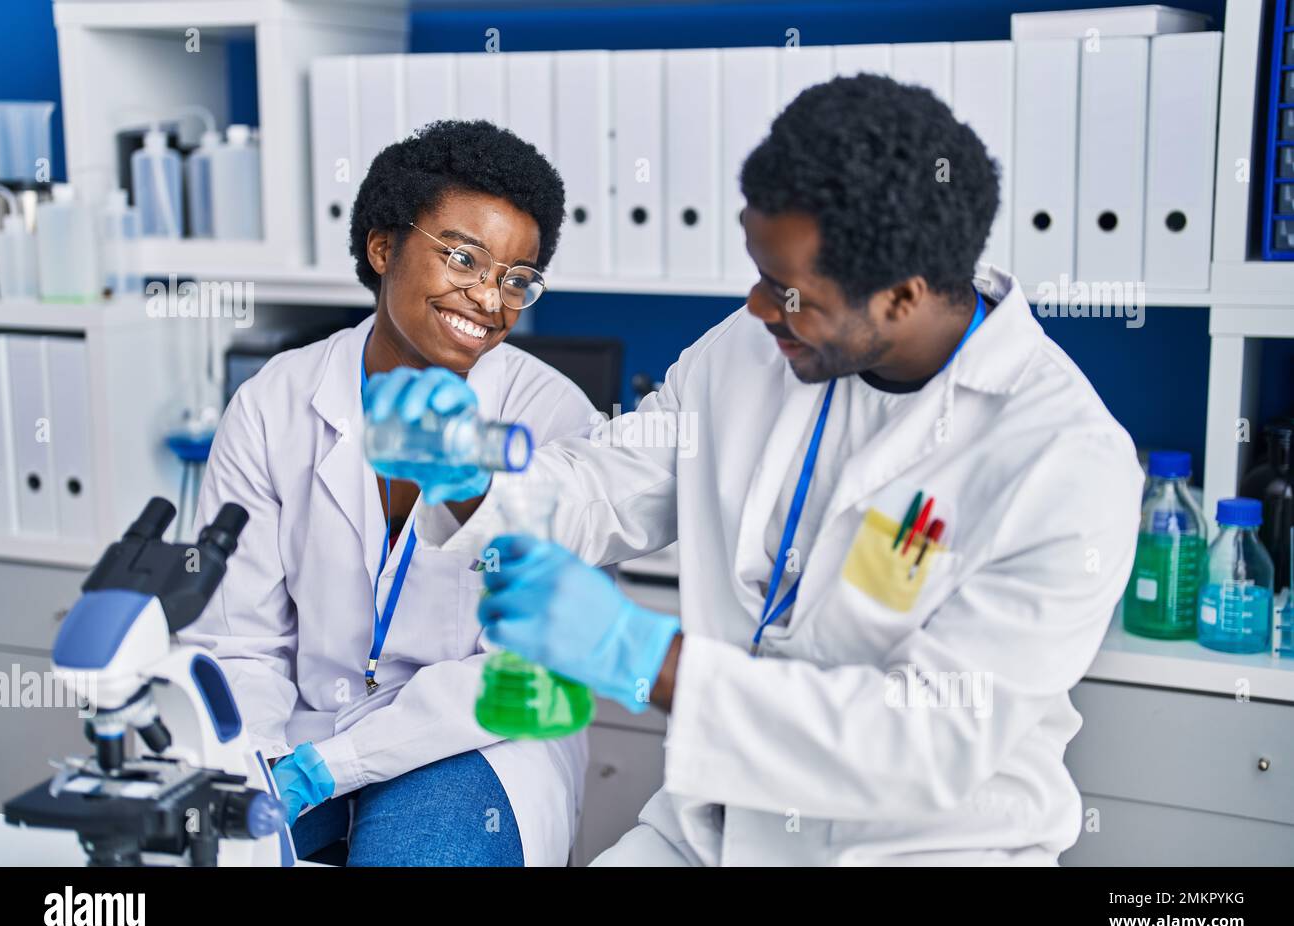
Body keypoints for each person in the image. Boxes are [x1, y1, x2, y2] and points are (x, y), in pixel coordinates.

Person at [366, 74, 1145, 865]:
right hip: (711, 834)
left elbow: (925, 739)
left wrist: (645, 657)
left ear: (902, 298)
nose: (759, 306)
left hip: (916, 851)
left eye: (789, 291)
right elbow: (608, 485)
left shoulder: (1064, 464)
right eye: (759, 273)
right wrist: (467, 474)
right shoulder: (754, 346)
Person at [182, 119, 596, 866]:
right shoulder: (276, 401)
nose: (488, 298)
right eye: (463, 258)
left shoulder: (550, 418)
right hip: (311, 726)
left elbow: (524, 665)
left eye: (514, 277)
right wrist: (250, 763)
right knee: (198, 847)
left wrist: (338, 767)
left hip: (480, 744)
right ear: (383, 248)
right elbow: (240, 639)